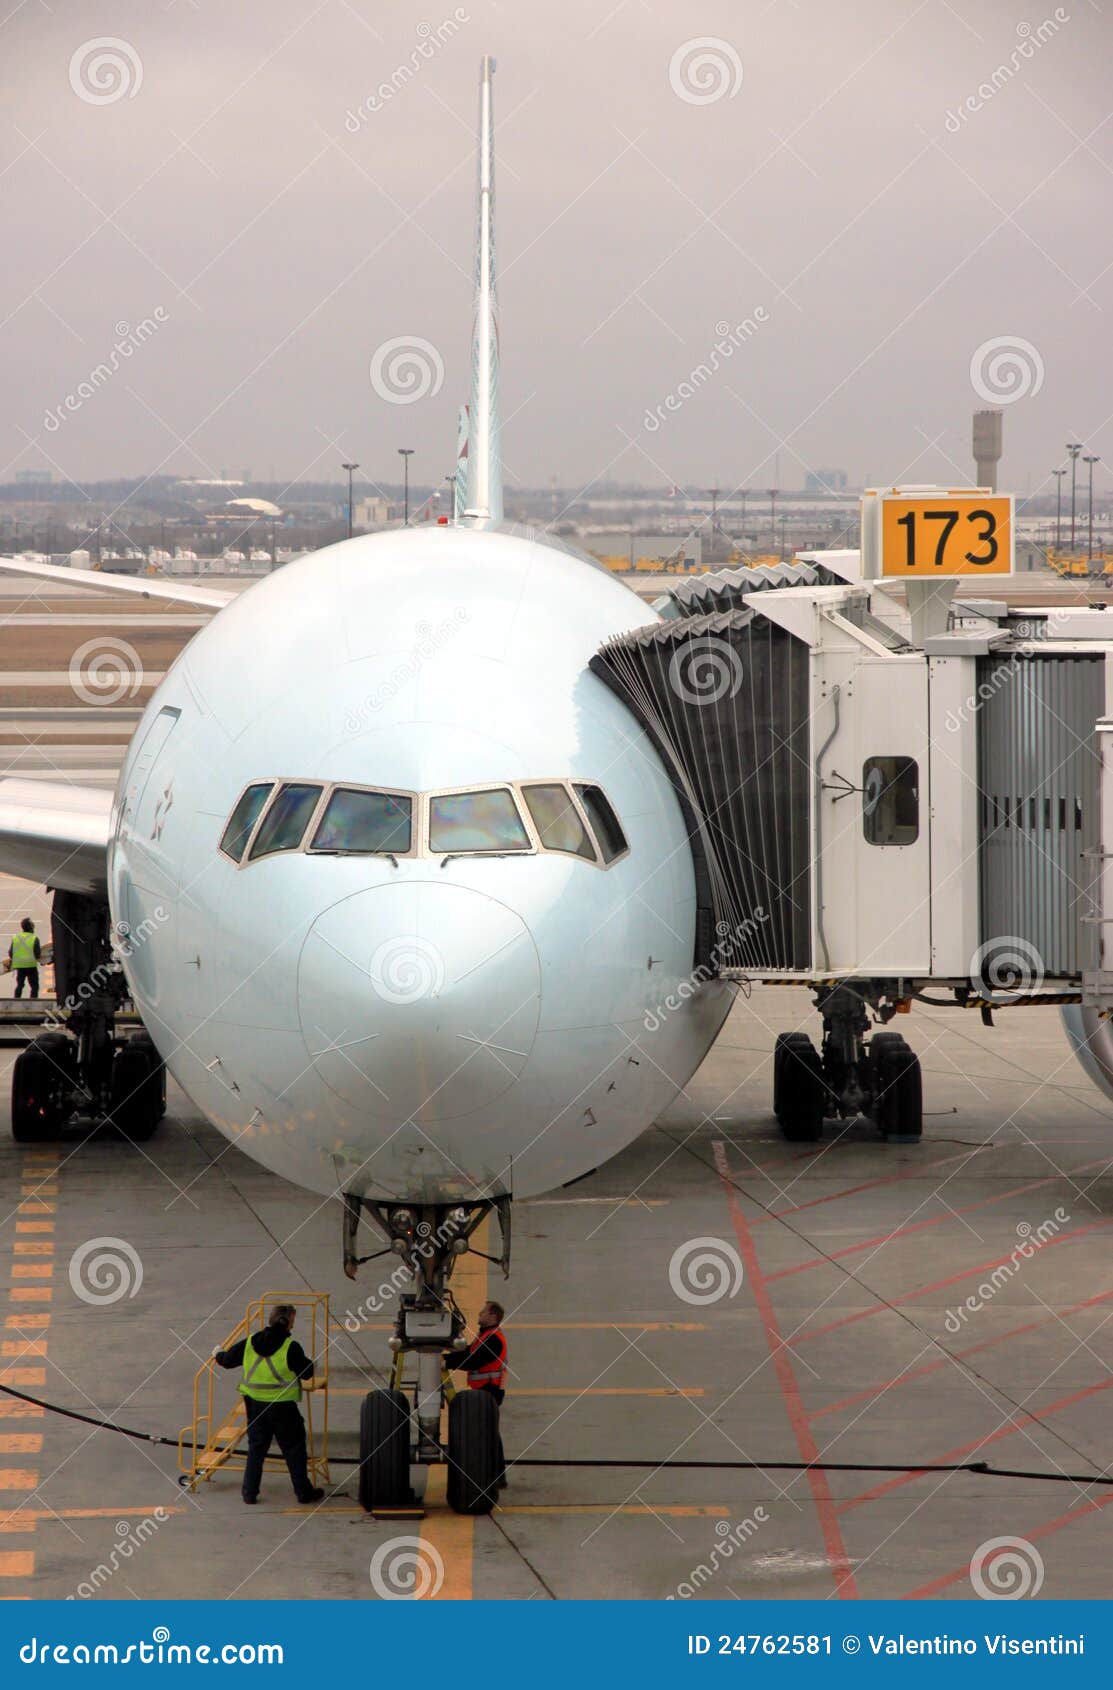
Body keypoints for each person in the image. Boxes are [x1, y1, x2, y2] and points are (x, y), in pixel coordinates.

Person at [214, 1303, 325, 1506]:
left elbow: (227, 1360)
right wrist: (312, 1363)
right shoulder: (290, 1347)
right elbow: (307, 1372)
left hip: (255, 1406)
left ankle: (249, 1493)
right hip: (283, 1407)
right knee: (293, 1448)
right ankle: (303, 1492)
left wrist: (218, 1353)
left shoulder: (250, 1342)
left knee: (256, 1448)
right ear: (290, 1322)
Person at [444, 1300, 508, 1490]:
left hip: (490, 1391)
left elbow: (474, 1361)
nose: (479, 1315)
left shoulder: (494, 1339)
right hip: (483, 1391)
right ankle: (496, 1476)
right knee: (489, 1433)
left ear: (493, 1316)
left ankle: (497, 1476)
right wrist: (448, 1351)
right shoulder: (485, 1336)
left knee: (489, 1434)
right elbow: (468, 1353)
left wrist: (446, 1361)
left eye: (483, 1312)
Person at [9, 918, 41, 1000]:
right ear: (31, 928)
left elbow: (10, 953)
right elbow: (37, 954)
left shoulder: (16, 938)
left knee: (20, 985)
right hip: (31, 966)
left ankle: (16, 1000)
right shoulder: (34, 938)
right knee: (34, 986)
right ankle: (33, 1001)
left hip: (19, 966)